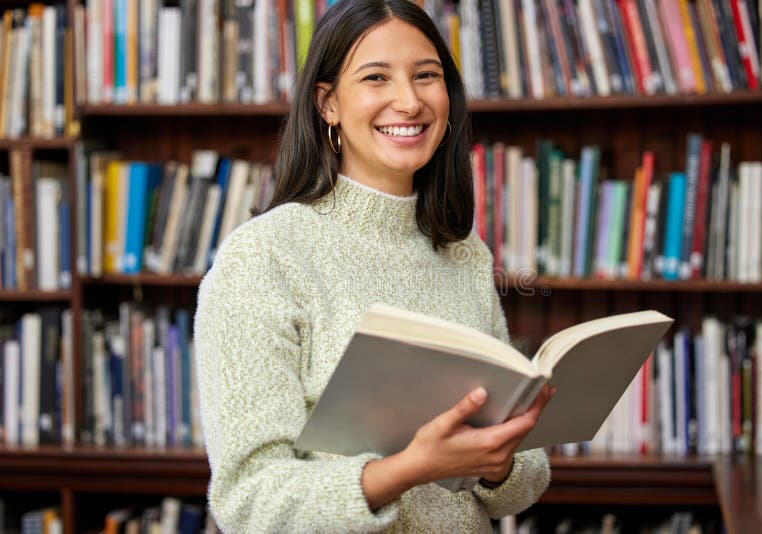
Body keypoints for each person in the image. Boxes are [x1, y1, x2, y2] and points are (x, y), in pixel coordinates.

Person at [194, 1, 554, 531]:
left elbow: (522, 484)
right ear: (328, 104)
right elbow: (249, 501)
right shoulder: (264, 256)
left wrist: (498, 466)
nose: (408, 101)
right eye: (376, 77)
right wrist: (406, 470)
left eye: (426, 76)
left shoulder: (464, 252)